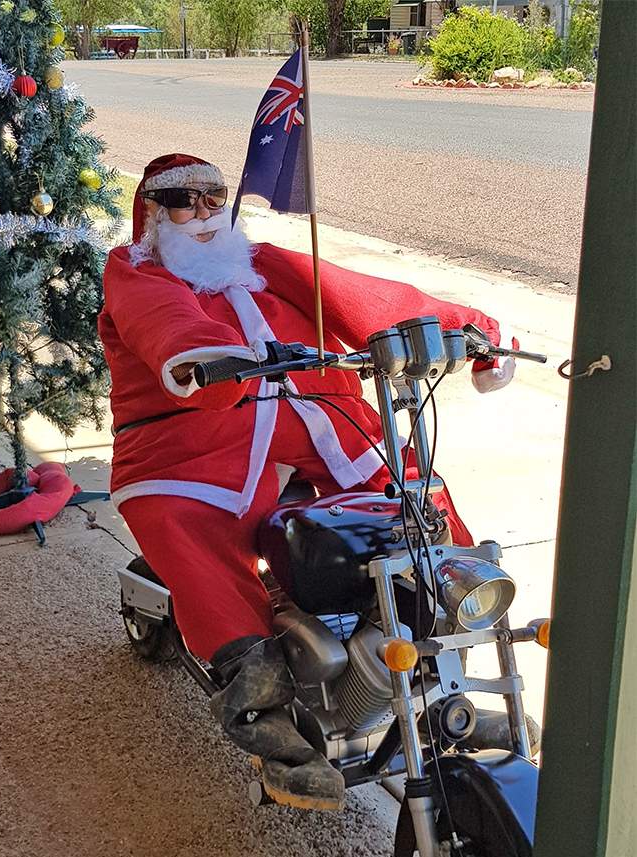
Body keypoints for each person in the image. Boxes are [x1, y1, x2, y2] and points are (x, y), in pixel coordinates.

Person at [99, 153, 515, 809]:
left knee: (411, 499)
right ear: (153, 212)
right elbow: (160, 319)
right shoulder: (139, 268)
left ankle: (444, 689)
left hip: (327, 416)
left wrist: (468, 333)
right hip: (194, 441)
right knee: (191, 526)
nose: (205, 211)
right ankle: (270, 726)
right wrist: (205, 358)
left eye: (215, 196)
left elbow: (355, 295)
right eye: (186, 199)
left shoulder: (260, 260)